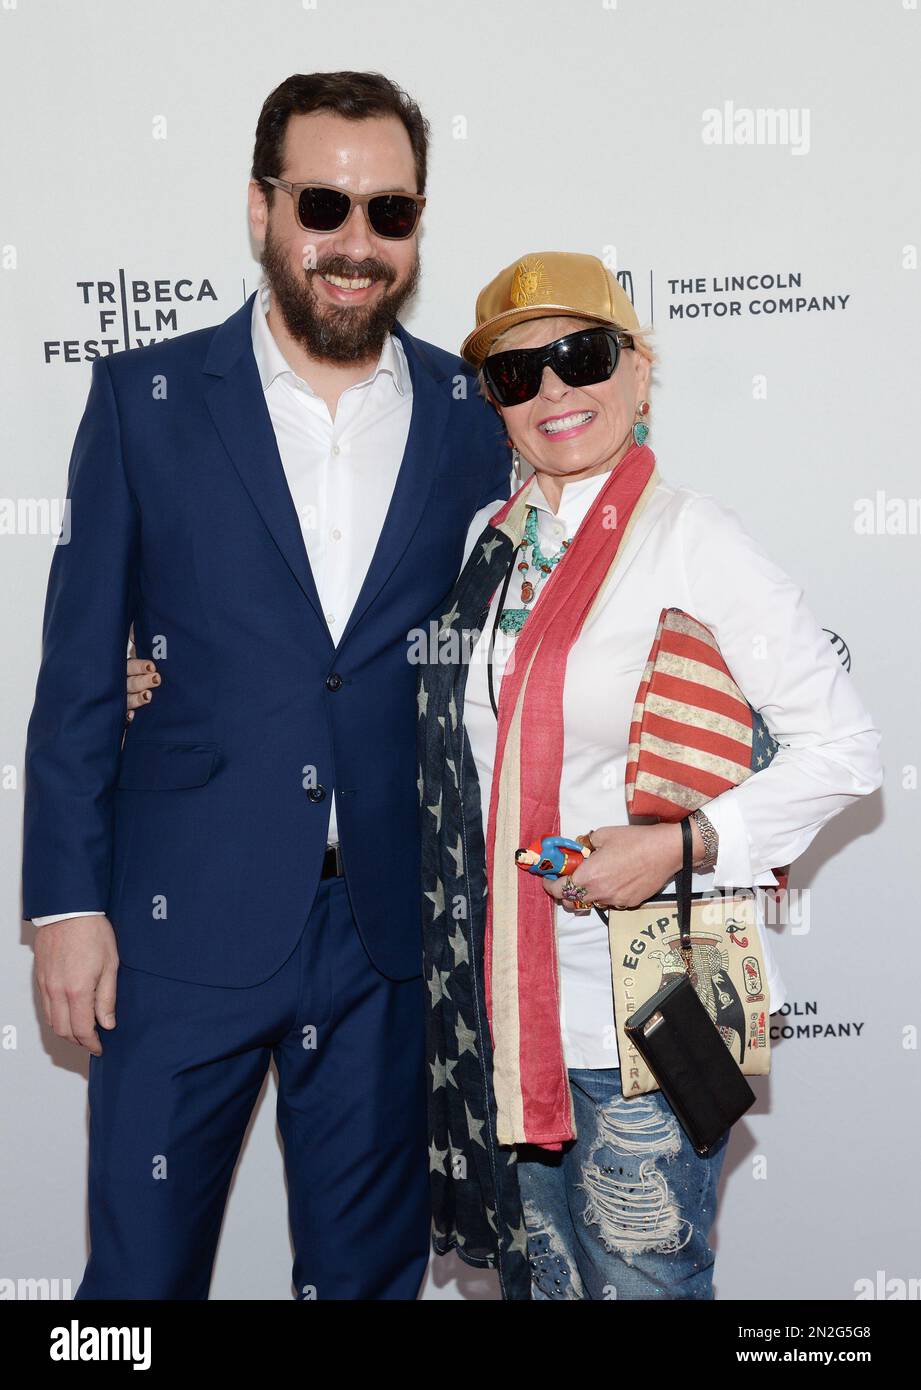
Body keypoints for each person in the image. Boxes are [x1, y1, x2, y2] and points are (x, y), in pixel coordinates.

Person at [21, 71, 509, 1300]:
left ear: (417, 224)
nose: (355, 243)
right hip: (175, 922)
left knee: (366, 1282)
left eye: (389, 213)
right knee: (134, 1287)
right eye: (323, 205)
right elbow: (80, 672)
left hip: (386, 938)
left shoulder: (469, 414)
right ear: (260, 209)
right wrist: (64, 905)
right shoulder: (147, 400)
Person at [412, 251, 883, 1300]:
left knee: (640, 1288)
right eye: (516, 374)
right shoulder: (488, 546)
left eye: (581, 356)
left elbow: (847, 750)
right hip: (507, 1015)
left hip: (648, 1023)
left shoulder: (693, 538)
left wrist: (680, 843)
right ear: (496, 406)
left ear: (638, 371)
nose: (554, 392)